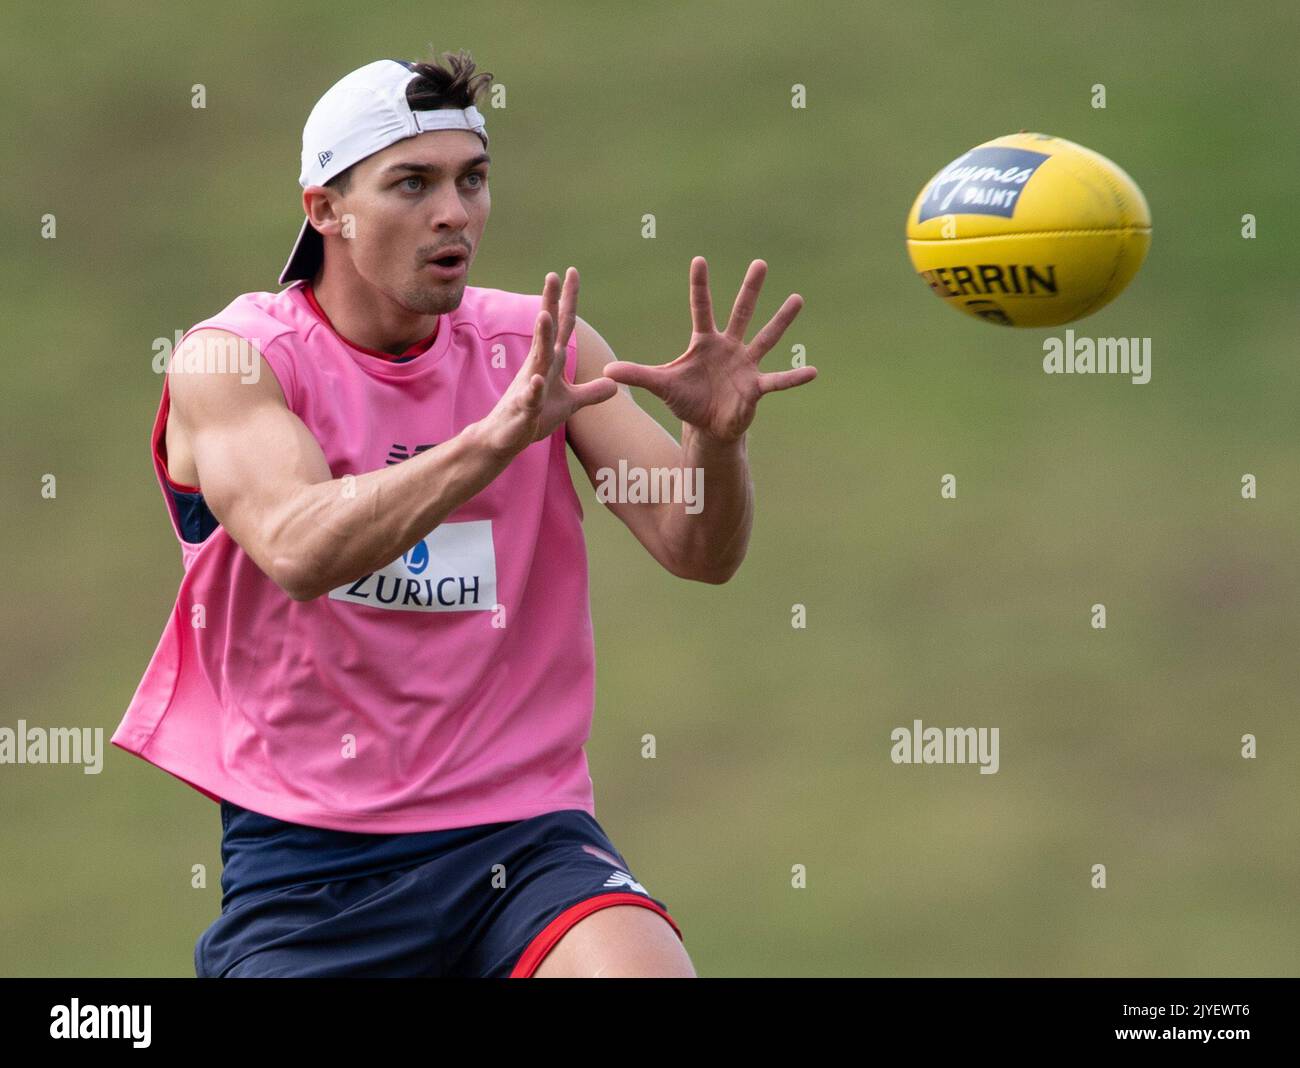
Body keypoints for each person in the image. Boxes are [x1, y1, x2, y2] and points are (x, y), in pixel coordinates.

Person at [112, 50, 815, 978]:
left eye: (471, 180)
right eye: (413, 183)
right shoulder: (235, 362)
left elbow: (697, 546)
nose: (454, 212)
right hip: (312, 864)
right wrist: (489, 442)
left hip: (523, 836)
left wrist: (716, 445)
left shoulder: (539, 346)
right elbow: (299, 546)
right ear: (325, 208)